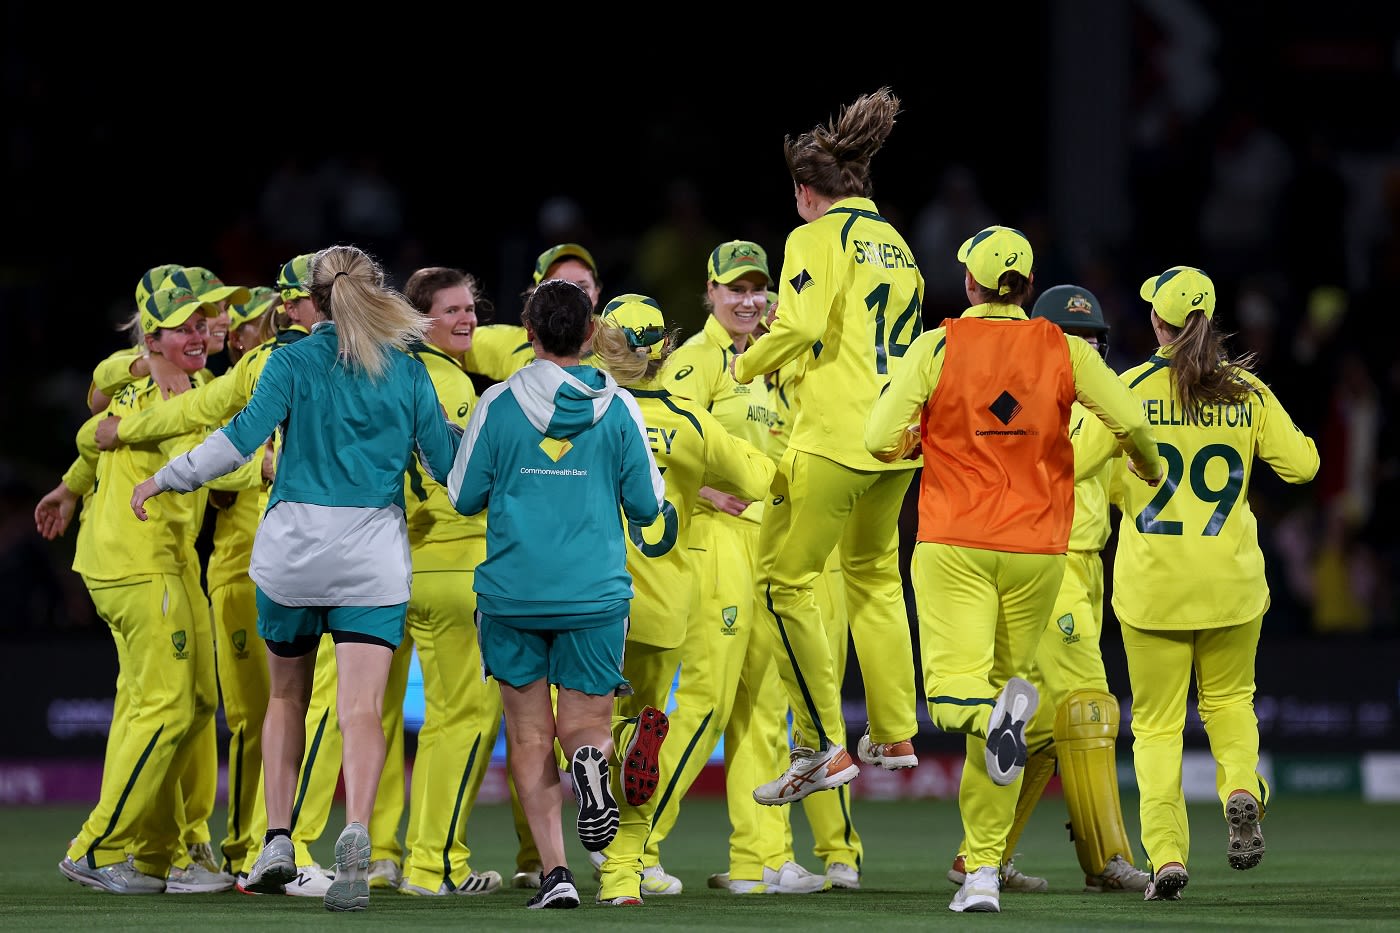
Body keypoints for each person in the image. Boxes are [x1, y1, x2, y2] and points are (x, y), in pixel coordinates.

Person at [129, 244, 463, 913]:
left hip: (292, 555)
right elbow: (449, 468)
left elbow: (236, 440)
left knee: (285, 698)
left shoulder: (288, 360)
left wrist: (166, 477)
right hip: (371, 555)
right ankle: (357, 833)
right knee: (361, 710)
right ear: (375, 292)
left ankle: (277, 837)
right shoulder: (409, 370)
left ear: (311, 299)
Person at [864, 224, 1164, 913]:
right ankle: (981, 872)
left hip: (955, 542)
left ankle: (992, 727)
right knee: (1007, 703)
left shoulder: (937, 345)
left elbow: (877, 437)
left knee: (956, 698)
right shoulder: (1065, 348)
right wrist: (1147, 466)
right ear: (1027, 286)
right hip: (1038, 551)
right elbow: (1132, 424)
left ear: (968, 282)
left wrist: (917, 441)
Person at [1077, 265, 1318, 901]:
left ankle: (1166, 859)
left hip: (1153, 589)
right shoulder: (1246, 390)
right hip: (1231, 584)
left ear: (1157, 321)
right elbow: (1303, 467)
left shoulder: (1127, 388)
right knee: (1231, 704)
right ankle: (1242, 790)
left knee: (1157, 728)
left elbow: (1074, 464)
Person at [729, 88, 923, 807]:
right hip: (897, 442)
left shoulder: (814, 237)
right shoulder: (898, 245)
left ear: (806, 193)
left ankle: (821, 745)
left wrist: (745, 361)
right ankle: (895, 731)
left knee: (782, 583)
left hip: (836, 439)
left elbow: (804, 326)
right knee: (875, 578)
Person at [444, 279, 665, 909]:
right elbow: (647, 505)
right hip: (593, 593)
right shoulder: (619, 407)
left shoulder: (497, 404)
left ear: (528, 332)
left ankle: (556, 873)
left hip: (513, 593)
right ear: (591, 333)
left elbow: (463, 497)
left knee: (529, 735)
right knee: (587, 725)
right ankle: (590, 766)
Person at [643, 243, 841, 895]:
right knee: (707, 702)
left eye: (758, 288)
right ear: (710, 291)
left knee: (765, 708)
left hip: (770, 541)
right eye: (735, 289)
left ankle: (762, 859)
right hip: (714, 542)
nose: (748, 300)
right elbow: (655, 441)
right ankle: (636, 843)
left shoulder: (772, 360)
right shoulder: (695, 361)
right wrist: (702, 491)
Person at [944, 285, 1151, 895]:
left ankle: (981, 856)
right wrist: (1127, 421)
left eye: (1093, 340)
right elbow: (1060, 463)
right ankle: (1106, 859)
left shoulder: (1091, 405)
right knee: (1088, 707)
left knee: (1035, 727)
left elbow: (1124, 492)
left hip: (1083, 572)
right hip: (1048, 567)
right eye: (1070, 338)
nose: (1085, 348)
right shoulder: (1039, 404)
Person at [44, 285, 242, 895]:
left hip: (162, 562)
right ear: (151, 338)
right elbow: (208, 461)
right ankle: (98, 847)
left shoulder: (171, 385)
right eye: (185, 325)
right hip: (141, 563)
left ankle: (159, 856)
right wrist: (271, 465)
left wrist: (71, 485)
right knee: (167, 708)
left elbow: (94, 432)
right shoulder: (164, 392)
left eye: (204, 322)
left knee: (187, 704)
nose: (201, 333)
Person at [586, 292, 776, 906]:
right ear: (665, 349)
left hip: (583, 594)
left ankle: (590, 766)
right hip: (660, 601)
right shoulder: (688, 422)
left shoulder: (576, 410)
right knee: (647, 727)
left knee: (568, 719)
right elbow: (756, 480)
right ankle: (624, 867)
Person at [390, 266, 505, 897]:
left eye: (470, 308)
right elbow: (463, 476)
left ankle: (422, 860)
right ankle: (436, 866)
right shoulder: (450, 382)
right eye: (452, 309)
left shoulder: (392, 376)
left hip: (408, 563)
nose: (466, 319)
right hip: (460, 565)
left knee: (441, 721)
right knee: (468, 719)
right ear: (419, 320)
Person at [465, 243, 603, 388]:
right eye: (556, 287)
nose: (570, 297)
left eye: (582, 286)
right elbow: (449, 340)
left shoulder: (617, 340)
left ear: (597, 293)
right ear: (536, 295)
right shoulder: (509, 343)